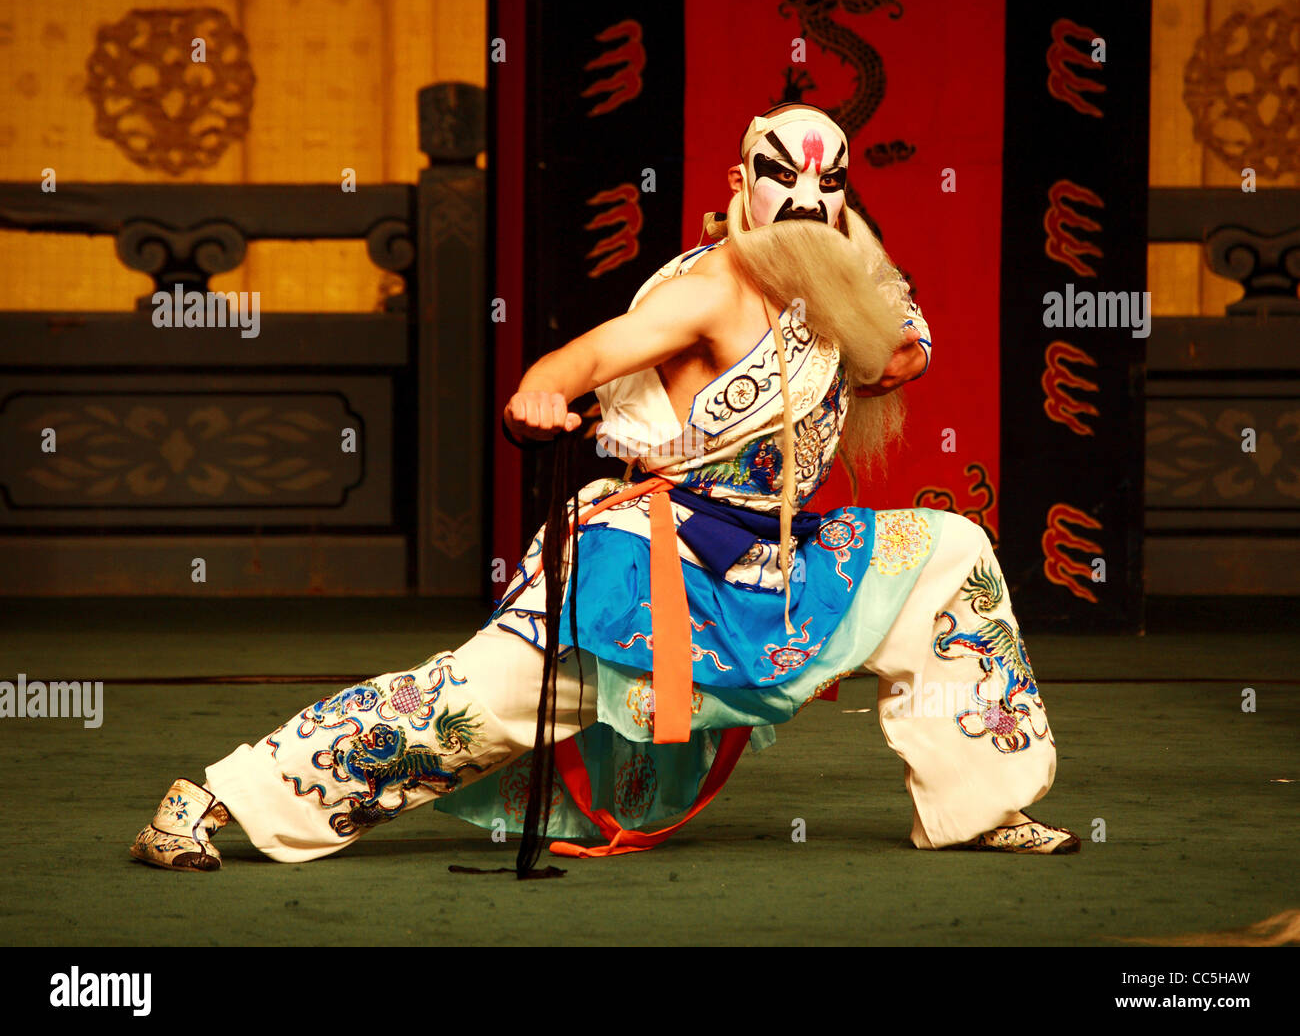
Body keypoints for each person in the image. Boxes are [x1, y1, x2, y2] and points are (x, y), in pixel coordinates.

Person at [130, 103, 1078, 873]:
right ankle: (214, 797)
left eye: (827, 184)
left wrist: (865, 289)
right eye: (781, 175)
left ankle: (979, 803)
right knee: (471, 703)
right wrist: (538, 397)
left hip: (769, 556)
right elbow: (579, 358)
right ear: (739, 188)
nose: (803, 197)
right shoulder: (710, 289)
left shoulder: (832, 283)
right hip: (648, 558)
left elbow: (900, 350)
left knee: (949, 551)